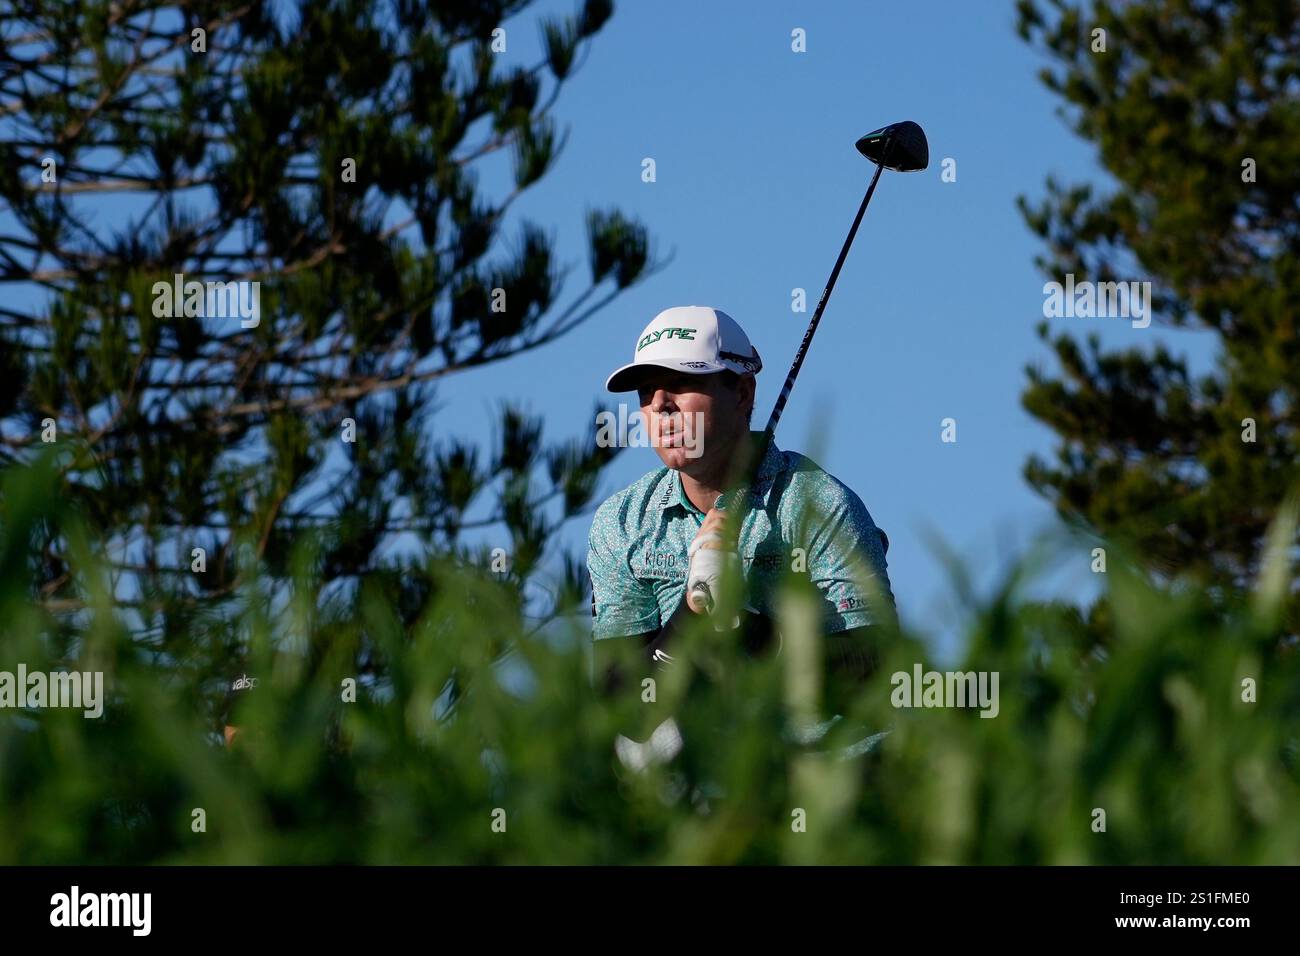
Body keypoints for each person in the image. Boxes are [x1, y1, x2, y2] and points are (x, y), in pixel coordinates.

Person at [588, 305, 896, 704]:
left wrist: (743, 626)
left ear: (743, 393)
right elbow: (619, 701)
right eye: (647, 390)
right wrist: (692, 612)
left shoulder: (822, 504)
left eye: (682, 382)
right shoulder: (622, 523)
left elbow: (878, 668)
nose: (661, 403)